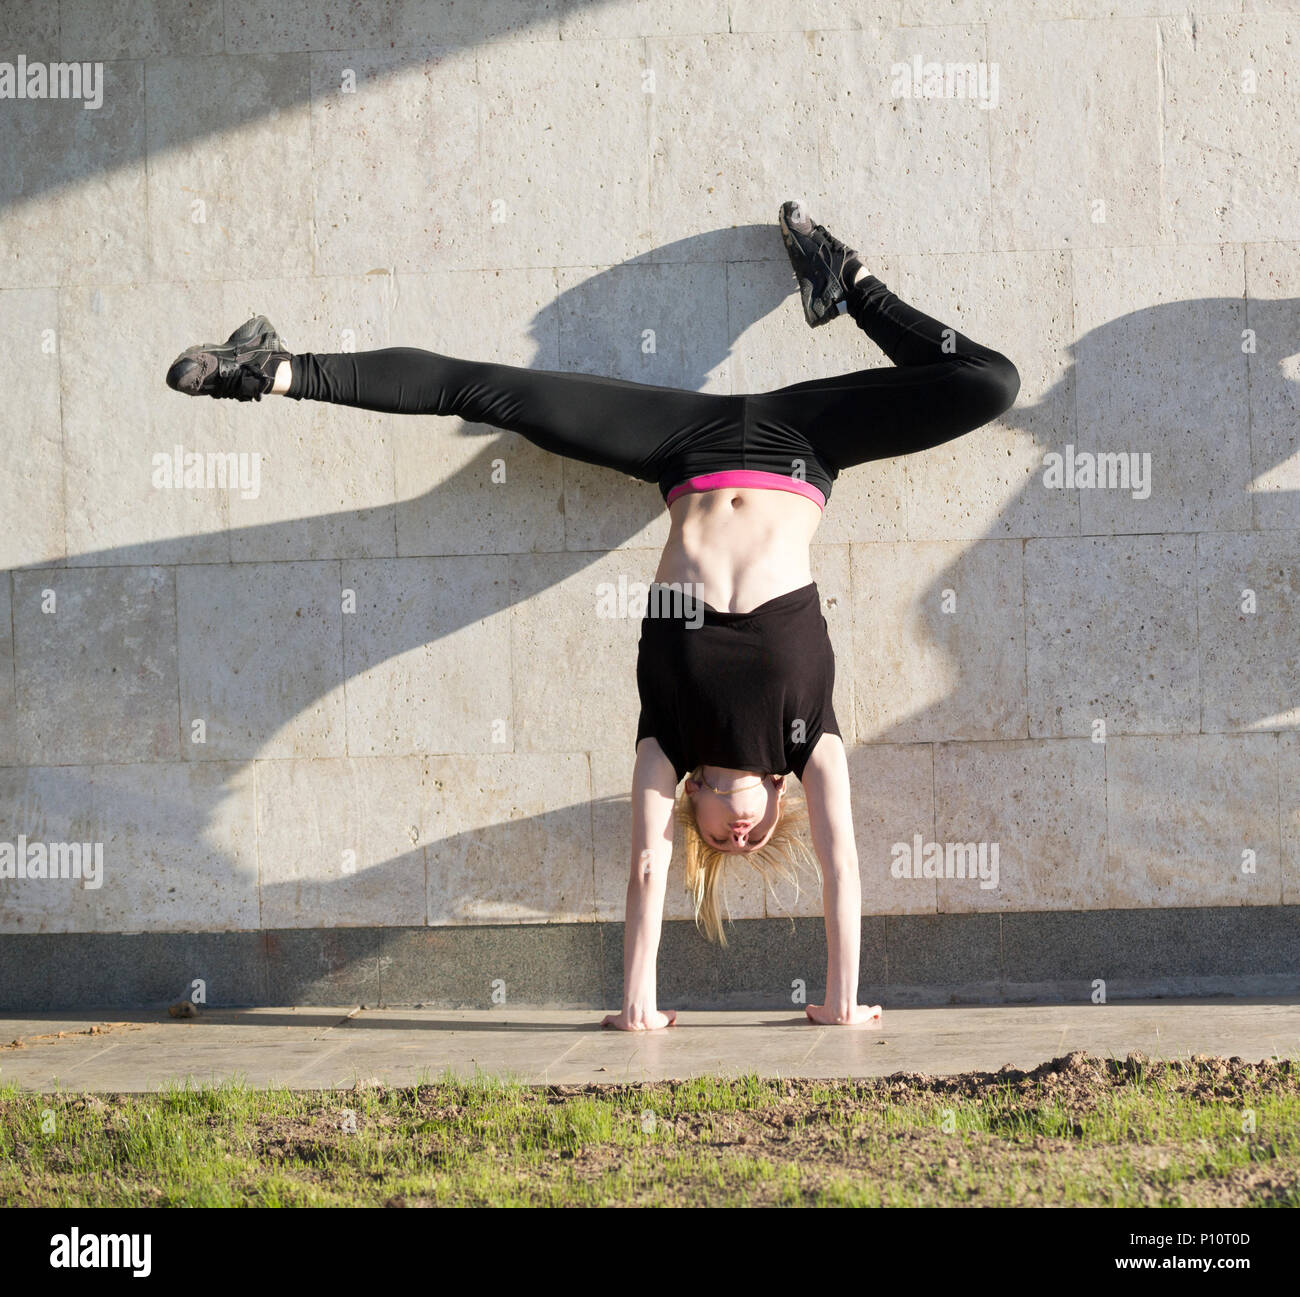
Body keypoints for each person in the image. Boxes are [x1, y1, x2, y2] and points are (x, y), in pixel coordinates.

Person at [166, 200, 1020, 1032]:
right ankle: (847, 282)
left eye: (720, 844)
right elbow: (843, 865)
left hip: (685, 447)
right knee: (988, 382)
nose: (739, 835)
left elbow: (648, 864)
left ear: (693, 806)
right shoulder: (810, 741)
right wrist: (842, 999)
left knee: (489, 392)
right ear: (775, 799)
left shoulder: (667, 742)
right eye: (753, 840)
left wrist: (638, 1002)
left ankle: (271, 369)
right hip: (805, 444)